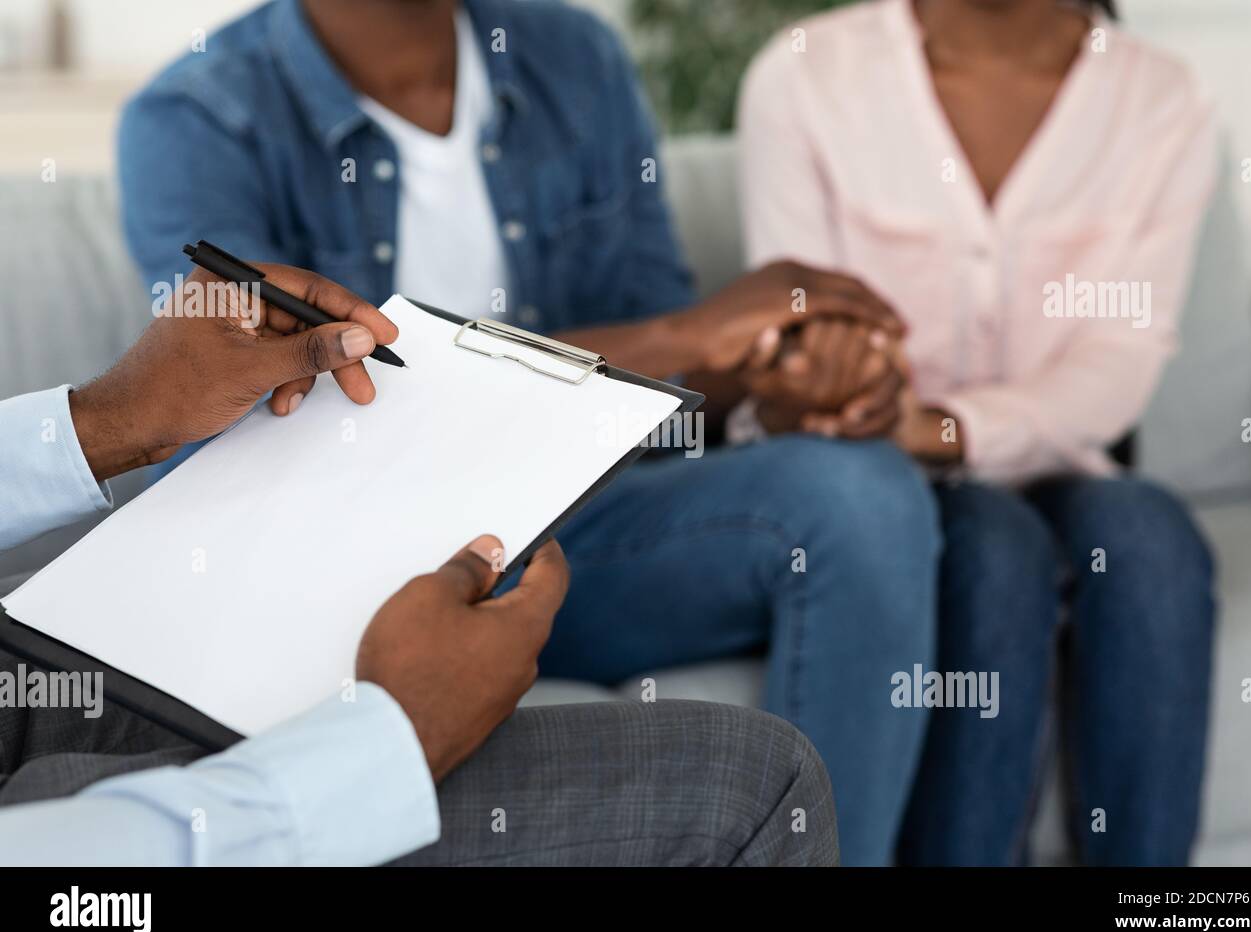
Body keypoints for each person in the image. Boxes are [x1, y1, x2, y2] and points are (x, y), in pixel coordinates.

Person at [116, 0, 941, 865]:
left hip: (567, 534)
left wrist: (785, 367)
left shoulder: (573, 57)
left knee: (861, 495)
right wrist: (687, 336)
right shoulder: (197, 119)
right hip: (350, 570)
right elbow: (265, 415)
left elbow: (661, 372)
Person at [0, 263, 838, 866]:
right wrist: (385, 747)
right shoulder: (203, 111)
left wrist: (105, 420)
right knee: (753, 783)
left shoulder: (570, 63)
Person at [738, 0, 1217, 865]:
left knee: (1154, 541)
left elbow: (1122, 354)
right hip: (883, 478)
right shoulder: (806, 72)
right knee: (995, 552)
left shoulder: (1162, 100)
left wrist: (952, 428)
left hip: (1056, 455)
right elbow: (795, 316)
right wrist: (838, 387)